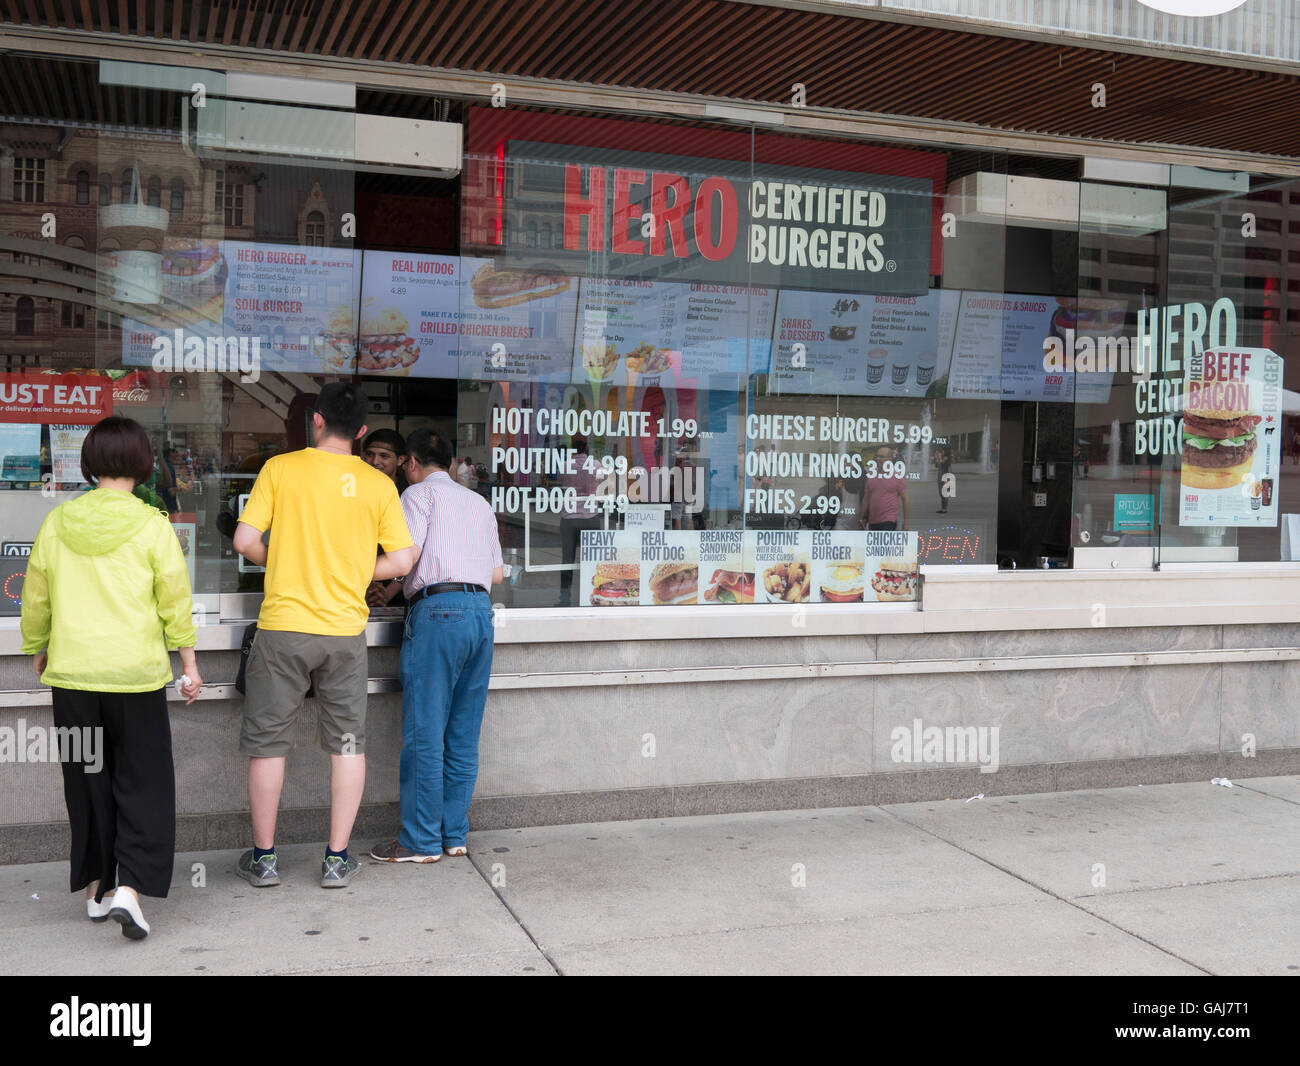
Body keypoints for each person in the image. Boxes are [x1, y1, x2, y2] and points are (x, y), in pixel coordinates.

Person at [20, 416, 202, 940]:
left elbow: (37, 593)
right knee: (143, 784)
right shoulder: (152, 524)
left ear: (89, 463)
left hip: (74, 677)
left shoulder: (58, 522)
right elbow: (174, 601)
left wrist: (38, 645)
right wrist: (188, 665)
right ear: (143, 464)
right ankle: (132, 889)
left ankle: (98, 890)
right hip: (136, 679)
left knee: (87, 783)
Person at [233, 383, 416, 889]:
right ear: (361, 431)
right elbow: (403, 560)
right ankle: (336, 859)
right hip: (344, 633)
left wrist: (290, 558)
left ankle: (264, 859)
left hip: (283, 629)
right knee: (348, 744)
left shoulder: (280, 469)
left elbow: (245, 539)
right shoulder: (378, 484)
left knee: (269, 746)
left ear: (315, 421)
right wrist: (354, 570)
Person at [370, 427, 503, 864]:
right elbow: (496, 574)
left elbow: (406, 557)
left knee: (425, 733)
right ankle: (454, 834)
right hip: (481, 613)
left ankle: (419, 841)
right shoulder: (478, 502)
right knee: (462, 734)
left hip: (438, 616)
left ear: (410, 463)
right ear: (449, 463)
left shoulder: (417, 496)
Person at [362, 428, 409, 610]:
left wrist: (388, 592)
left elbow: (415, 551)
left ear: (401, 460)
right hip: (358, 585)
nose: (375, 462)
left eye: (384, 456)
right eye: (370, 454)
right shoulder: (353, 491)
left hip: (400, 589)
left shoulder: (408, 496)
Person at [559, 435, 604, 603]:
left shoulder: (564, 466)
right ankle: (590, 596)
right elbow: (600, 485)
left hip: (569, 517)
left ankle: (565, 597)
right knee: (592, 559)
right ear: (587, 447)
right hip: (590, 517)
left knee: (567, 559)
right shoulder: (596, 465)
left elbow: (561, 485)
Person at [860, 445, 909, 531]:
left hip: (889, 520)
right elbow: (866, 499)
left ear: (890, 459)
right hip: (873, 521)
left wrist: (906, 523)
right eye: (876, 456)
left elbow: (905, 499)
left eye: (881, 457)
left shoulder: (897, 475)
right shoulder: (872, 475)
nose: (877, 459)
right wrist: (862, 518)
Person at [935, 446, 951, 514]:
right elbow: (937, 465)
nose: (942, 452)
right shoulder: (942, 458)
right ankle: (943, 508)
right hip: (940, 478)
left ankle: (945, 509)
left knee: (944, 493)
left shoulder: (948, 459)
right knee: (941, 494)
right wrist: (937, 458)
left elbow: (945, 467)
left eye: (943, 451)